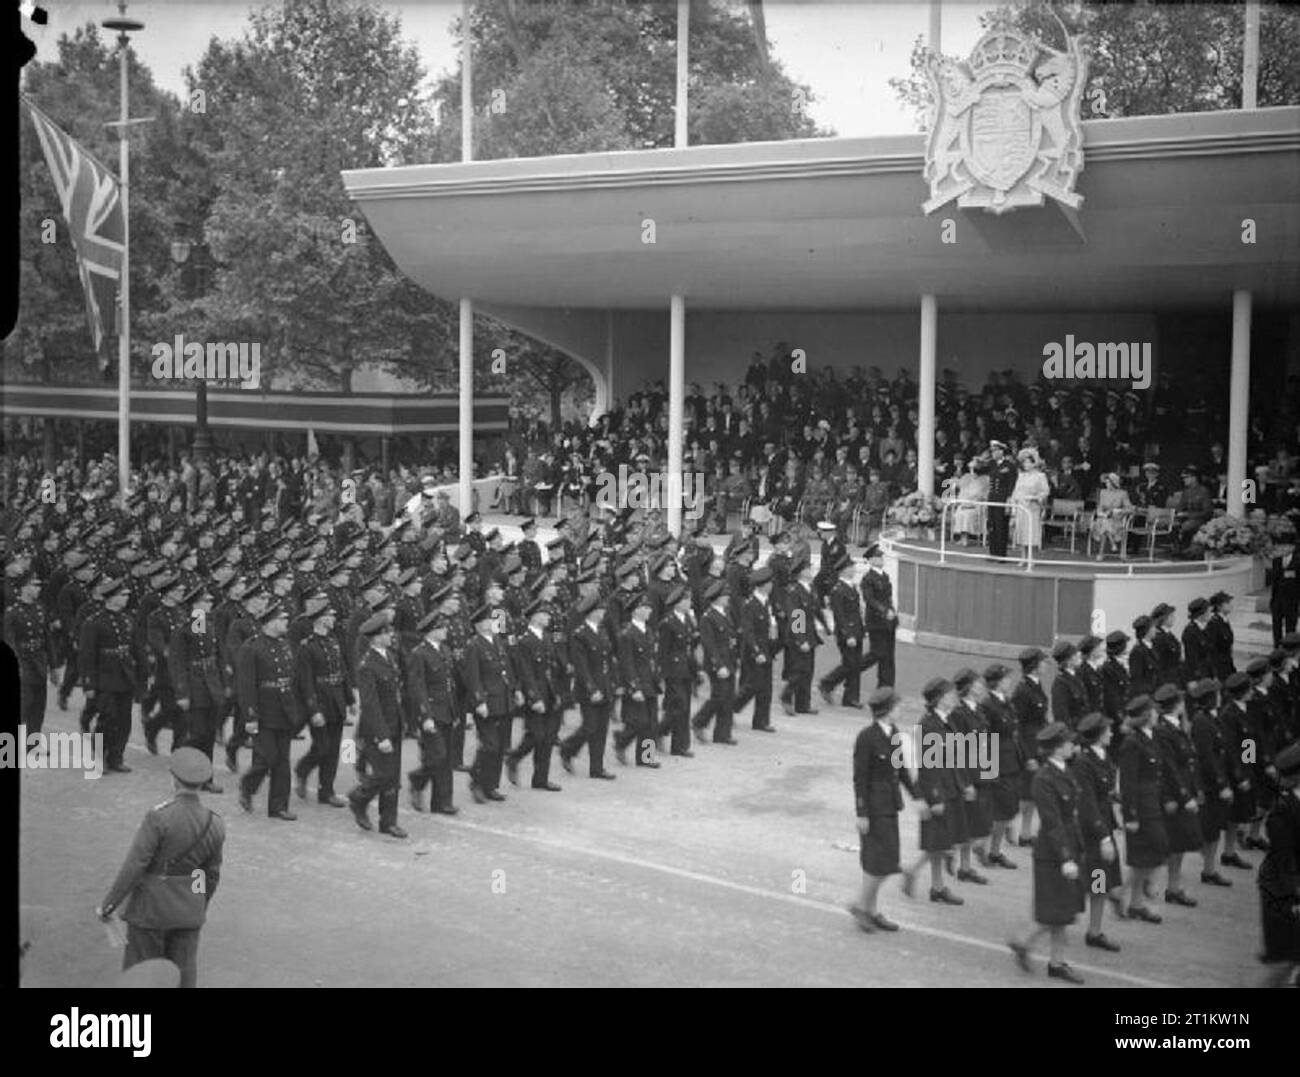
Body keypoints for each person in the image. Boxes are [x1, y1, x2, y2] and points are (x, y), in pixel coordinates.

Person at [97, 747, 226, 989]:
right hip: (188, 913)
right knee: (183, 976)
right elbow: (209, 874)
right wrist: (196, 899)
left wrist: (109, 905)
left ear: (174, 779)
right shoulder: (215, 823)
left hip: (150, 912)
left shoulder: (158, 817)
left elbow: (135, 866)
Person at [1008, 722, 1087, 984]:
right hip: (1053, 854)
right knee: (1054, 911)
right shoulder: (1044, 779)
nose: (1072, 746)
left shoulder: (1066, 771)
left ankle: (1053, 959)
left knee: (1064, 910)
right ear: (1056, 748)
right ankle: (1030, 944)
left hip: (1070, 845)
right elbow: (1052, 822)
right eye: (1067, 742)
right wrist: (1065, 857)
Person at [847, 687, 921, 933]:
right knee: (878, 863)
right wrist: (862, 813)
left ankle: (869, 909)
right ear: (887, 710)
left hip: (890, 804)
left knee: (883, 862)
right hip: (874, 808)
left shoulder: (895, 734)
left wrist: (917, 798)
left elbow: (901, 773)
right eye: (898, 706)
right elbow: (860, 778)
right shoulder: (867, 737)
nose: (901, 709)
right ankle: (863, 907)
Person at [901, 678, 967, 906]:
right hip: (938, 790)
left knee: (941, 840)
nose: (955, 696)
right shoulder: (929, 725)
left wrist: (963, 784)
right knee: (938, 840)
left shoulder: (947, 721)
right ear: (939, 698)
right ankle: (915, 872)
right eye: (950, 694)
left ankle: (937, 887)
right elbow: (928, 767)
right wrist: (936, 798)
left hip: (950, 786)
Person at [236, 603, 300, 821]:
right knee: (268, 757)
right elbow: (246, 685)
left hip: (283, 709)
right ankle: (248, 785)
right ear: (271, 622)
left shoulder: (284, 644)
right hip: (263, 710)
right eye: (282, 620)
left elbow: (290, 677)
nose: (286, 623)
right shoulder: (252, 647)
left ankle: (279, 806)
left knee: (282, 760)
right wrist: (250, 716)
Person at [347, 614, 409, 838]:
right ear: (376, 638)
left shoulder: (390, 657)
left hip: (394, 724)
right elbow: (371, 705)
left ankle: (388, 821)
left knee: (393, 777)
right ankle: (358, 798)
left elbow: (396, 693)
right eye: (387, 633)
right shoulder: (367, 665)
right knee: (383, 774)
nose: (391, 635)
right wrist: (381, 736)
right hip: (376, 729)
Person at [1118, 694, 1168, 923]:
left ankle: (1133, 901)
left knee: (1148, 854)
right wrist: (1131, 814)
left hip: (1153, 802)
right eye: (1154, 711)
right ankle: (1129, 895)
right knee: (1152, 850)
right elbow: (1128, 783)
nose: (1158, 714)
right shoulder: (1132, 743)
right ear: (1147, 716)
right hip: (1141, 806)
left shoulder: (1151, 737)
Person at [407, 610, 462, 812]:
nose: (446, 630)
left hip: (446, 709)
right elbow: (417, 687)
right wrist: (425, 716)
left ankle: (442, 802)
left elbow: (450, 683)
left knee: (445, 758)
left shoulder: (444, 650)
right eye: (441, 627)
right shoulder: (419, 654)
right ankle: (417, 780)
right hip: (431, 711)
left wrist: (455, 711)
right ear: (431, 631)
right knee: (437, 756)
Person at [1257, 741, 1300, 988]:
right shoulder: (1284, 811)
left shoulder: (1259, 704)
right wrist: (1249, 766)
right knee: (1282, 963)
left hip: (1276, 768)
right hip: (1265, 770)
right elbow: (1245, 742)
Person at [1012, 647, 1049, 845]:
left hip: (1038, 745)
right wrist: (1027, 756)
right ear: (1034, 666)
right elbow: (1017, 726)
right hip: (1029, 747)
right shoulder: (1022, 691)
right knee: (1026, 795)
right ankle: (1009, 825)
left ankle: (1025, 833)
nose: (1045, 665)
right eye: (1042, 662)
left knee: (1032, 795)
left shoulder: (1036, 686)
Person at [819, 555, 864, 709]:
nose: (854, 569)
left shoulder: (852, 586)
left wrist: (861, 629)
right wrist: (848, 634)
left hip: (856, 630)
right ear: (844, 570)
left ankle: (851, 697)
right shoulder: (838, 590)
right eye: (851, 567)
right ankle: (827, 682)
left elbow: (856, 611)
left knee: (855, 664)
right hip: (847, 633)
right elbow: (839, 615)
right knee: (849, 663)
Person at [858, 543, 897, 689]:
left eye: (881, 556)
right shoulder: (868, 578)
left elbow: (888, 598)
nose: (881, 559)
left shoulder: (884, 576)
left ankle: (886, 687)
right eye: (878, 557)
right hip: (876, 621)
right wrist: (884, 611)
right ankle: (850, 672)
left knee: (888, 657)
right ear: (871, 560)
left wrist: (891, 612)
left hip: (888, 622)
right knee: (876, 654)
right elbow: (870, 599)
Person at [976, 441, 1017, 559]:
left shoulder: (1009, 465)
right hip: (992, 497)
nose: (993, 453)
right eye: (992, 451)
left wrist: (1009, 499)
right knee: (992, 525)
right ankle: (992, 553)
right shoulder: (992, 463)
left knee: (1001, 526)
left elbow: (1011, 483)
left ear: (1001, 451)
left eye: (995, 451)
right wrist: (980, 460)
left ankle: (1001, 554)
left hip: (1003, 498)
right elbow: (978, 470)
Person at [1009, 447, 1050, 556]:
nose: (1025, 465)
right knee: (1021, 532)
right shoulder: (1021, 476)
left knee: (1031, 532)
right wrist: (1013, 505)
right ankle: (1023, 556)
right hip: (1021, 506)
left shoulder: (1040, 476)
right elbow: (1016, 491)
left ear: (1033, 463)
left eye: (1027, 462)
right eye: (1024, 462)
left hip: (1032, 507)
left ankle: (1031, 557)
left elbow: (1045, 491)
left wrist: (1035, 497)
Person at [1089, 472, 1133, 559]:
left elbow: (1129, 508)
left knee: (1106, 524)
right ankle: (1112, 543)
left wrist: (1118, 511)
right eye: (1106, 482)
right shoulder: (1103, 492)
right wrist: (1101, 513)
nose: (1106, 484)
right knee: (1105, 522)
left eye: (1108, 482)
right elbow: (1100, 506)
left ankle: (1101, 553)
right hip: (1103, 518)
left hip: (1117, 520)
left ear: (1113, 483)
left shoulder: (1123, 493)